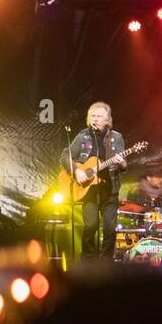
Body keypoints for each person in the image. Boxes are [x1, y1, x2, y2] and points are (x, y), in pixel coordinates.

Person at [61, 101, 128, 262]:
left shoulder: (116, 138)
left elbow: (124, 165)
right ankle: (88, 261)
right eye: (92, 116)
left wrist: (121, 163)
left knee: (110, 229)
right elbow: (65, 156)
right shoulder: (83, 136)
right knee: (90, 226)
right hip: (89, 190)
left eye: (99, 116)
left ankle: (105, 263)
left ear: (107, 120)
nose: (95, 119)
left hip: (110, 189)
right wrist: (76, 170)